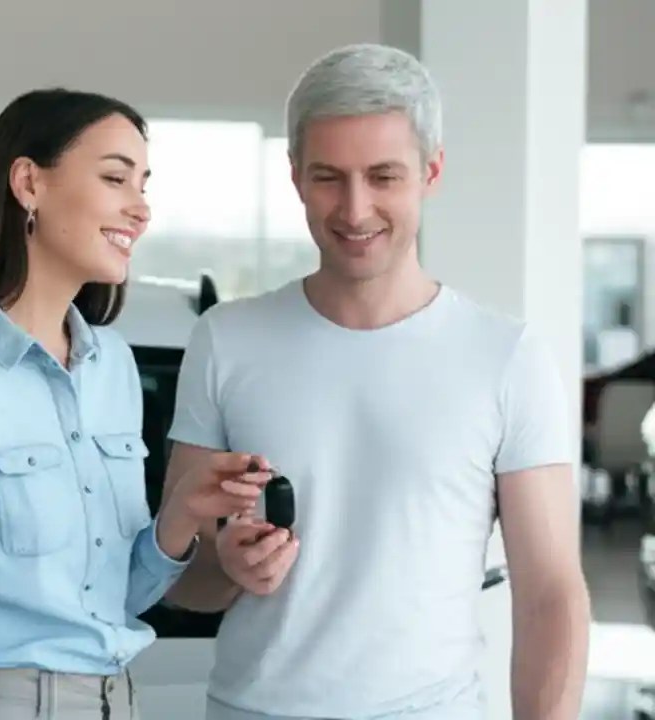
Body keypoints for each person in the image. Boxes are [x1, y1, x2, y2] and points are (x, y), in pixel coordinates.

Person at [161, 44, 592, 720]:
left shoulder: (506, 355)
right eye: (329, 176)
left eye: (383, 176)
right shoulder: (227, 339)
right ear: (296, 176)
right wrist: (229, 569)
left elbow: (550, 594)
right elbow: (180, 573)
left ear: (432, 171)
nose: (355, 210)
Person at [0, 88, 264, 720]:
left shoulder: (115, 368)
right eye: (114, 178)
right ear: (28, 182)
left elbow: (116, 595)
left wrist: (183, 511)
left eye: (143, 184)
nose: (140, 209)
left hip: (116, 700)